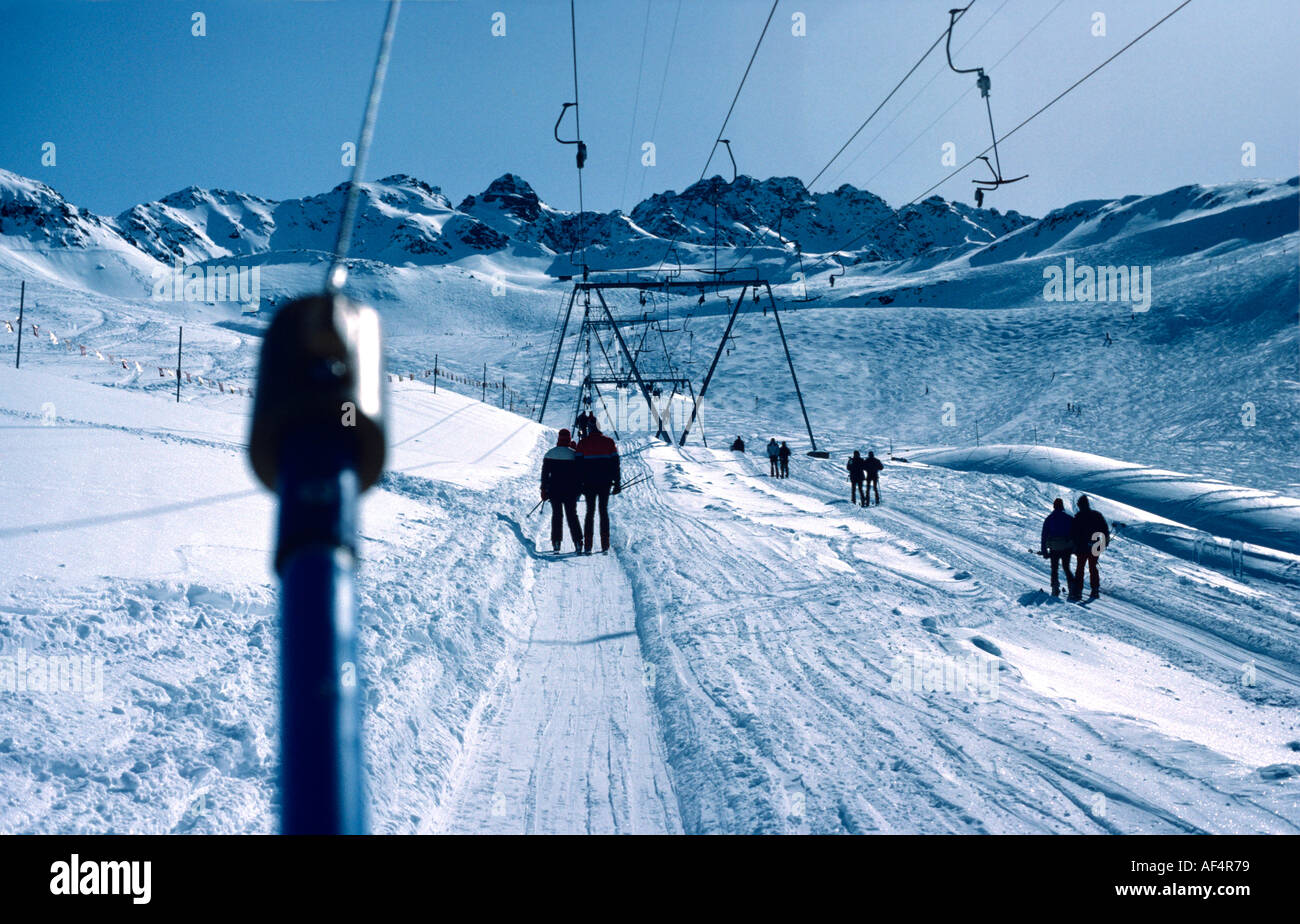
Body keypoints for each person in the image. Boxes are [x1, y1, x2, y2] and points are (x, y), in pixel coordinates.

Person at [576, 420, 621, 554]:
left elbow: (577, 467)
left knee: (590, 513)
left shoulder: (582, 443)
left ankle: (588, 545)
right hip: (605, 483)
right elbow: (615, 465)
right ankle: (605, 545)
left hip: (588, 484)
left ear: (589, 429)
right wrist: (617, 483)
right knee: (603, 511)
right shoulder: (609, 442)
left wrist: (579, 485)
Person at [540, 429, 583, 554]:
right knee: (572, 516)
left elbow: (545, 475)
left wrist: (544, 490)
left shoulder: (550, 454)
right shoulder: (574, 454)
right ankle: (578, 542)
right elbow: (579, 475)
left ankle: (556, 543)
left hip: (554, 490)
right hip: (571, 490)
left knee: (557, 516)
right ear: (569, 439)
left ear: (558, 438)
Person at [1069, 495, 1110, 600]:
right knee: (1093, 568)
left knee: (1080, 569)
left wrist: (1073, 546)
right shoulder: (1097, 515)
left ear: (1080, 505)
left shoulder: (1078, 516)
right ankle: (1095, 590)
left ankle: (1078, 591)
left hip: (1081, 547)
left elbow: (1073, 534)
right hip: (1094, 546)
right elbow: (1105, 530)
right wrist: (1104, 543)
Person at [1039, 498, 1074, 597]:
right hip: (1066, 547)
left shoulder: (1049, 519)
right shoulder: (1068, 518)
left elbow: (1044, 535)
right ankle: (1072, 588)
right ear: (1062, 506)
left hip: (1054, 548)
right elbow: (1075, 533)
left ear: (1054, 506)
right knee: (1066, 567)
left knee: (1054, 568)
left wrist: (1044, 551)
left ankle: (1055, 588)